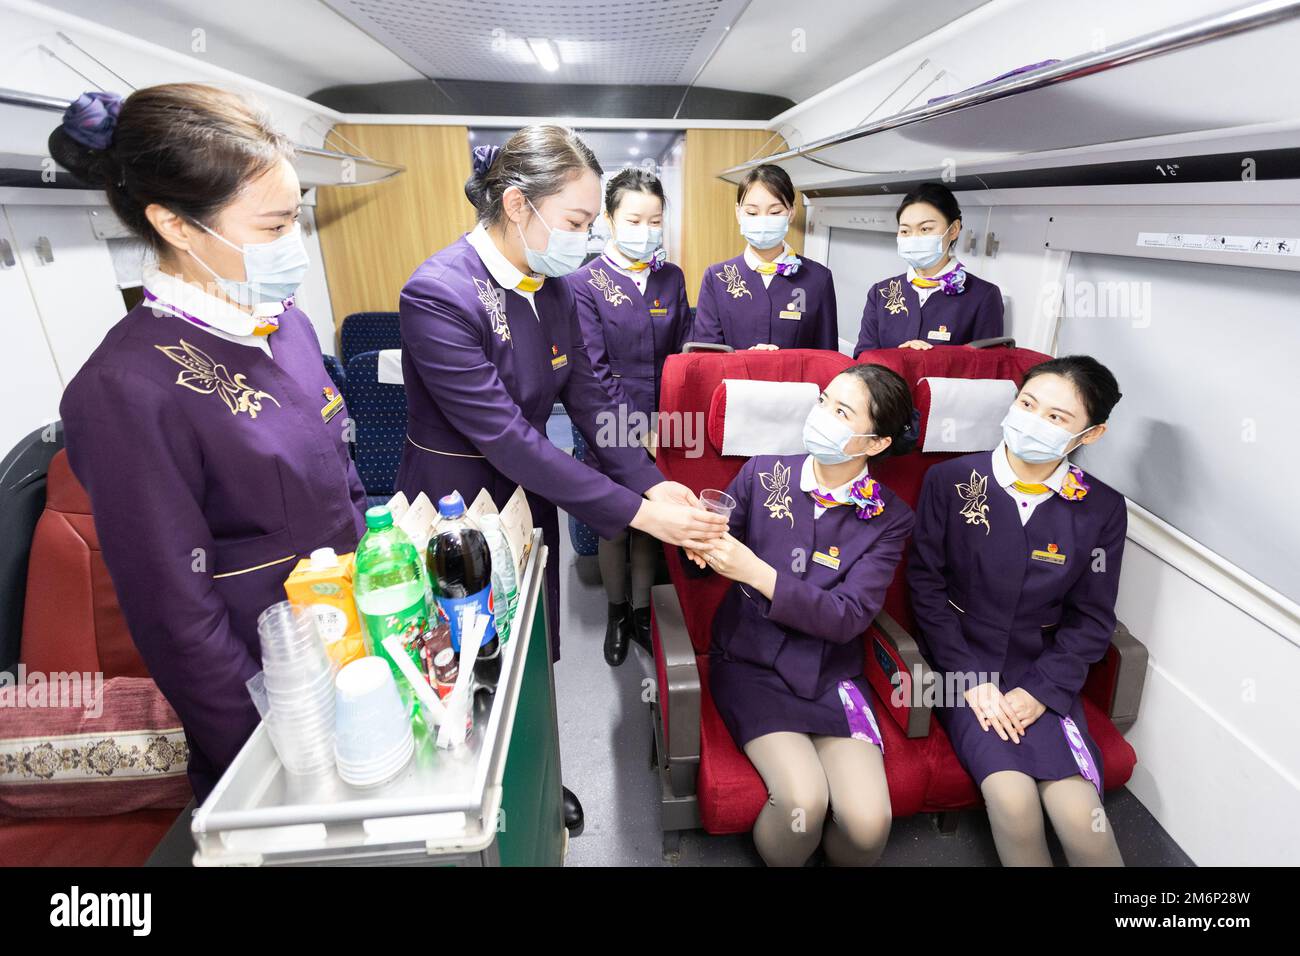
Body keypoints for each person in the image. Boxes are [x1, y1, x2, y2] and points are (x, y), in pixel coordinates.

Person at [394, 126, 728, 831]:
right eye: (576, 222)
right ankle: (479, 801)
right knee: (471, 659)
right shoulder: (438, 295)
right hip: (457, 519)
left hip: (528, 502)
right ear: (519, 206)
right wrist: (640, 515)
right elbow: (508, 438)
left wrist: (651, 482)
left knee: (534, 648)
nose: (584, 238)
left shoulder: (558, 289)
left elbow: (593, 400)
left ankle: (538, 773)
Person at [52, 85, 367, 802]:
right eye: (273, 226)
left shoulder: (284, 323)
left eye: (298, 219)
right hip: (265, 694)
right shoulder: (124, 388)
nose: (293, 246)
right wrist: (267, 753)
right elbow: (173, 612)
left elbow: (339, 473)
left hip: (350, 646)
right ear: (178, 226)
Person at [687, 365, 916, 866]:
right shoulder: (764, 473)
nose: (822, 417)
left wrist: (757, 572)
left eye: (842, 412)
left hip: (831, 670)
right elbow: (709, 559)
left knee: (869, 823)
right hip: (750, 661)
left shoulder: (888, 516)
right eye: (824, 402)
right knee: (802, 802)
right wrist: (698, 547)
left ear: (875, 444)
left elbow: (848, 617)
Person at [907, 355, 1126, 866]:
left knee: (1084, 822)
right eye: (1028, 404)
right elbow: (927, 589)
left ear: (1090, 435)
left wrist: (1042, 691)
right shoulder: (951, 480)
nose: (1033, 421)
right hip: (961, 662)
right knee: (1013, 802)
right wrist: (969, 679)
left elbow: (1092, 618)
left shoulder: (1100, 508)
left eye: (1056, 417)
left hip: (1041, 668)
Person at [566, 167, 691, 665]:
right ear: (610, 220)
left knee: (651, 525)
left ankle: (643, 611)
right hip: (607, 427)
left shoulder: (670, 277)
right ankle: (617, 612)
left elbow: (683, 357)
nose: (646, 229)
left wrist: (669, 422)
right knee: (615, 525)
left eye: (655, 219)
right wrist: (640, 431)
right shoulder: (584, 283)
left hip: (667, 426)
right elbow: (593, 373)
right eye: (635, 218)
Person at [691, 164, 837, 352]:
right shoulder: (717, 278)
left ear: (791, 213)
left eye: (775, 212)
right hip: (734, 381)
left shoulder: (818, 279)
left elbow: (826, 358)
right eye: (752, 212)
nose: (763, 220)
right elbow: (706, 355)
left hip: (796, 382)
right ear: (738, 213)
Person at [854, 181, 1003, 354]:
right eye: (905, 231)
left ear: (953, 229)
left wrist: (927, 362)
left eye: (925, 229)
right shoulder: (882, 293)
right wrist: (897, 358)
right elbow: (862, 360)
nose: (914, 238)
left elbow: (987, 369)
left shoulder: (982, 296)